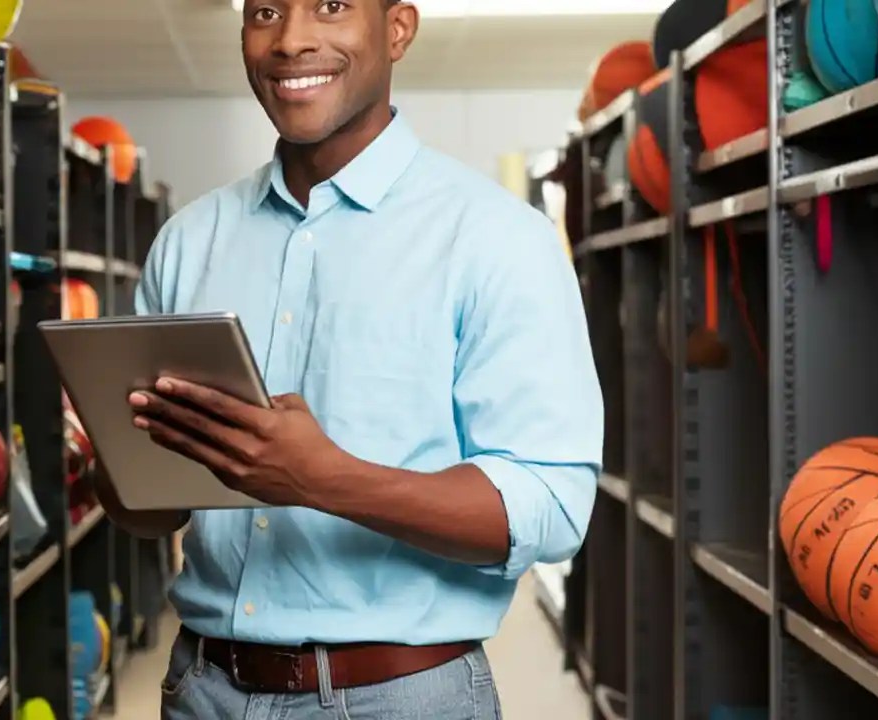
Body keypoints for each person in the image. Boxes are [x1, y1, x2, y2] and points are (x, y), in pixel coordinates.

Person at [95, 0, 604, 717]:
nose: (292, 41)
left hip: (399, 697)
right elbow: (148, 511)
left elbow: (549, 508)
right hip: (202, 688)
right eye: (266, 10)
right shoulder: (189, 241)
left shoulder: (497, 239)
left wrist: (322, 478)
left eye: (331, 6)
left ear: (398, 29)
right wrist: (118, 461)